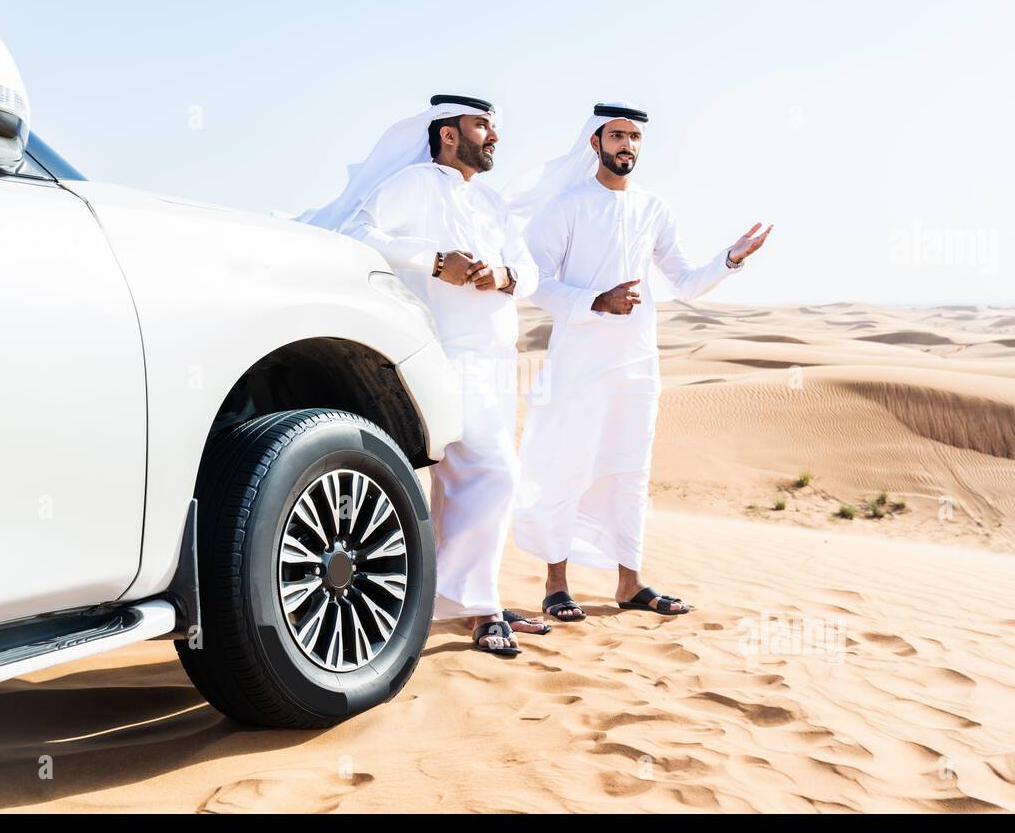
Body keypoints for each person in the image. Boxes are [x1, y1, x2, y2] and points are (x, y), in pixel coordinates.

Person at [504, 102, 772, 621]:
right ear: (595, 143)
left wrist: (732, 258)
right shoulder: (568, 206)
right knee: (568, 464)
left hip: (637, 362)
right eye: (618, 136)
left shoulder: (655, 209)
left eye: (635, 138)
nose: (627, 145)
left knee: (630, 469)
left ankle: (630, 582)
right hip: (579, 361)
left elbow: (687, 282)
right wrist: (594, 301)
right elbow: (533, 282)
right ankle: (556, 585)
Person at [300, 94, 544, 655]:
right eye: (482, 125)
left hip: (494, 358)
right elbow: (357, 235)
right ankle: (471, 604)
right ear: (449, 133)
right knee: (488, 472)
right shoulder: (412, 184)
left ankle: (461, 598)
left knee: (475, 480)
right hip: (437, 352)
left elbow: (529, 272)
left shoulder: (491, 202)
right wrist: (435, 261)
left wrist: (502, 276)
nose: (494, 137)